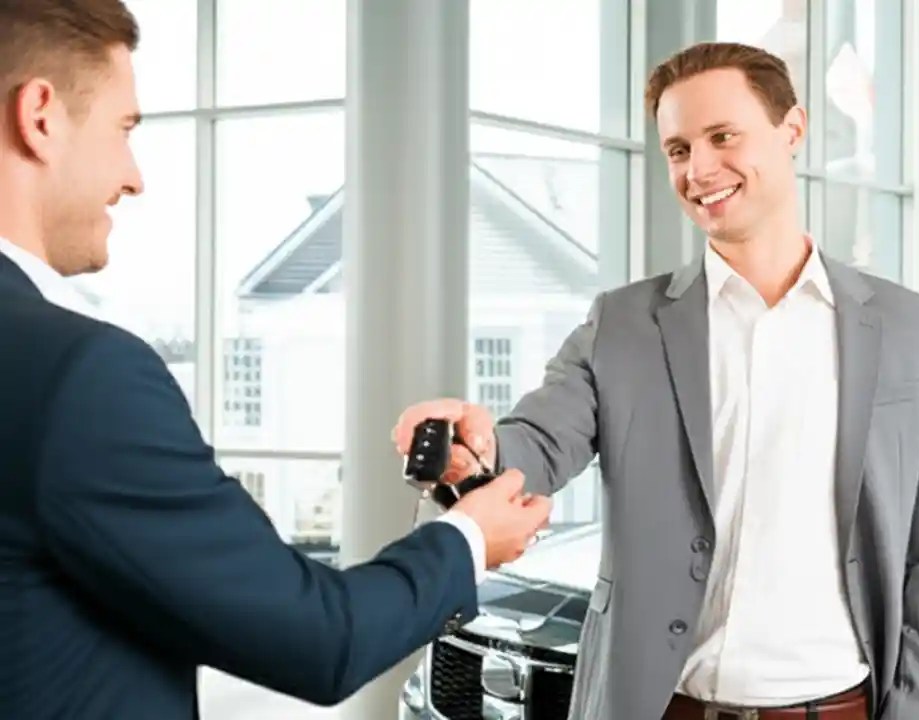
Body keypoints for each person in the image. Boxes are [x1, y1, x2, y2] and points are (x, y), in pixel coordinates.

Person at [395, 41, 919, 720]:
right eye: (677, 149)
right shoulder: (621, 326)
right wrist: (477, 452)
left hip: (841, 709)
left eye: (722, 136)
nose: (699, 168)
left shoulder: (910, 327)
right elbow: (536, 442)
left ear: (792, 130)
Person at [0, 2, 550, 718]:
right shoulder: (80, 377)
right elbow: (321, 638)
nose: (134, 178)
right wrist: (471, 537)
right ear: (40, 116)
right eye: (124, 130)